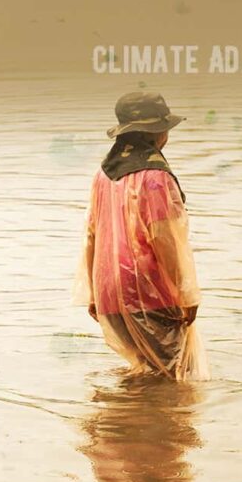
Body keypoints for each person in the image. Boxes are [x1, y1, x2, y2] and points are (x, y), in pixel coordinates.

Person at [76, 92, 207, 380]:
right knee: (172, 378)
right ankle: (149, 422)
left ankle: (121, 420)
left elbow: (92, 235)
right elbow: (166, 240)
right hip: (150, 294)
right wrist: (186, 293)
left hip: (109, 290)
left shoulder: (104, 173)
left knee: (144, 372)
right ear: (157, 133)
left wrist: (95, 294)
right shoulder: (155, 177)